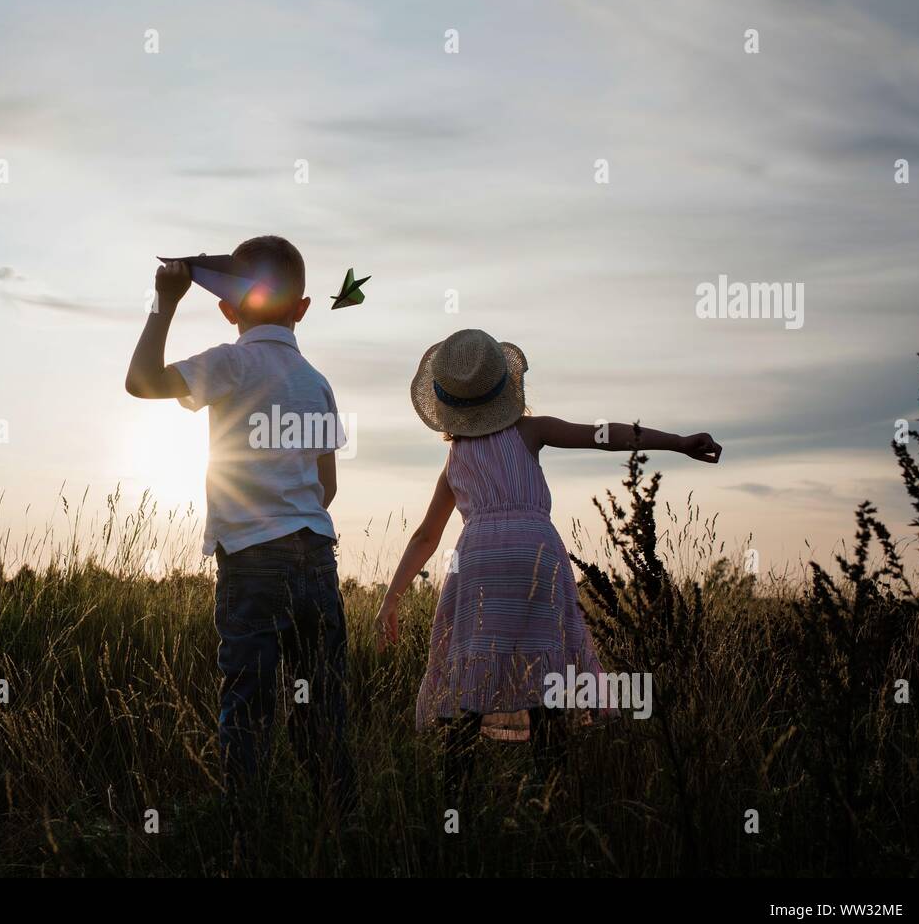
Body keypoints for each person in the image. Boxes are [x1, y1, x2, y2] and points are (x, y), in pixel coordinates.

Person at [376, 328, 721, 808]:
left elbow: (426, 536)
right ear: (506, 387)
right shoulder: (530, 431)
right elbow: (605, 436)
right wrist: (678, 442)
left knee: (472, 679)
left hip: (477, 564)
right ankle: (551, 802)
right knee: (547, 676)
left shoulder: (455, 459)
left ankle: (455, 807)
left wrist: (391, 598)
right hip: (536, 555)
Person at [125, 235, 353, 820]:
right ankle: (339, 828)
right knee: (322, 709)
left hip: (252, 562)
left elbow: (141, 381)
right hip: (318, 558)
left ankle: (244, 838)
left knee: (247, 710)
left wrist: (165, 302)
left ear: (227, 309)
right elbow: (326, 488)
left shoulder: (229, 364)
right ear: (302, 309)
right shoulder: (318, 383)